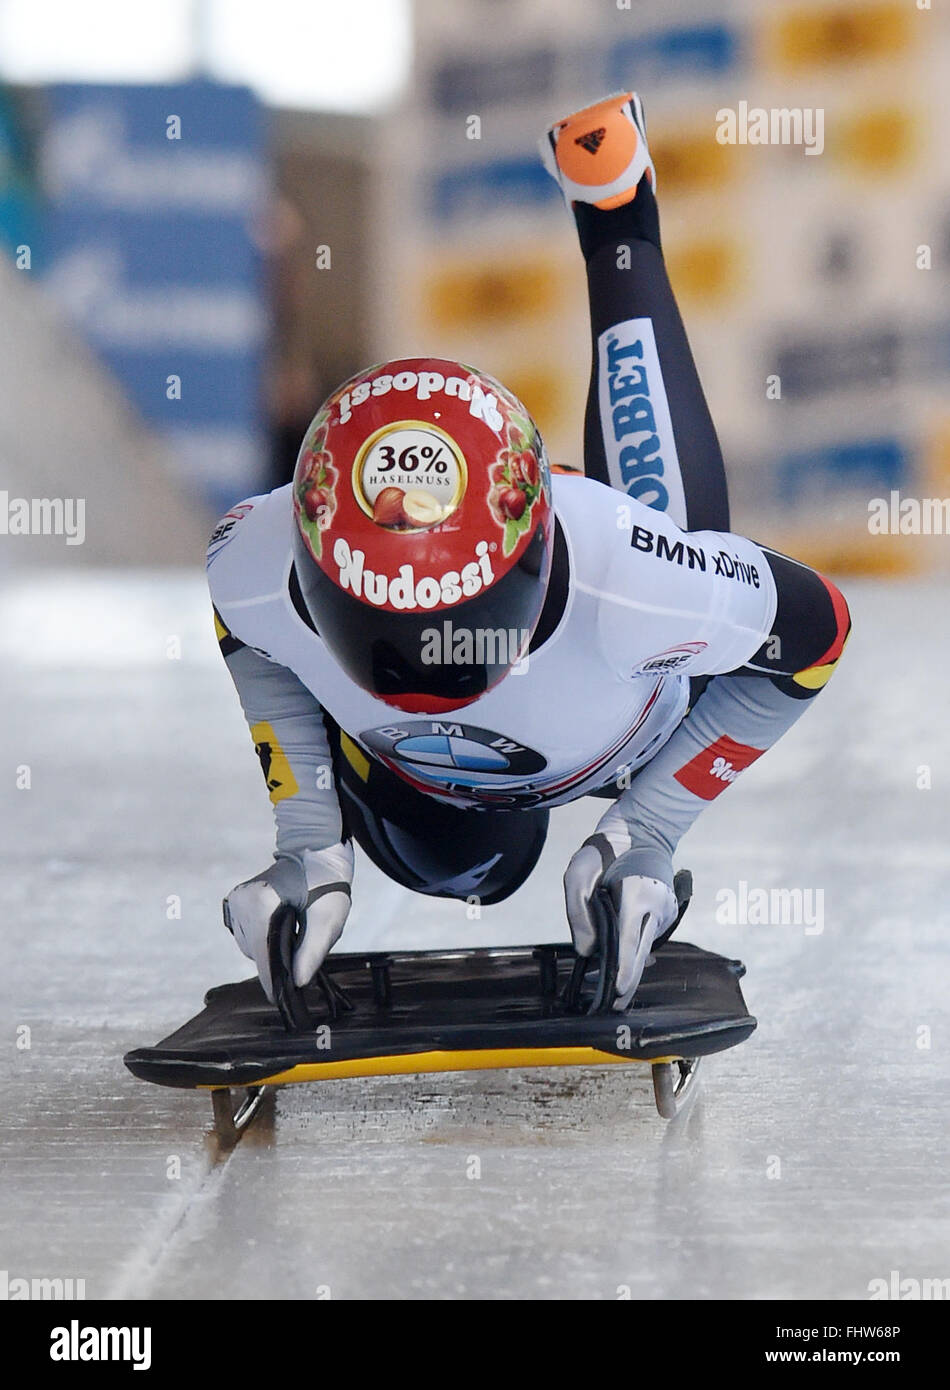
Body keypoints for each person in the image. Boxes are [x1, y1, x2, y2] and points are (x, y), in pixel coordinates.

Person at [208, 92, 850, 1012]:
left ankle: (616, 210)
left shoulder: (632, 578)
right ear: (312, 567)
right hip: (439, 782)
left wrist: (650, 830)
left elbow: (818, 630)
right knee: (467, 870)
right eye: (378, 619)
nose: (426, 658)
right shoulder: (253, 558)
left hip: (640, 721)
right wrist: (308, 846)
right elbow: (245, 629)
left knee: (669, 549)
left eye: (449, 623)